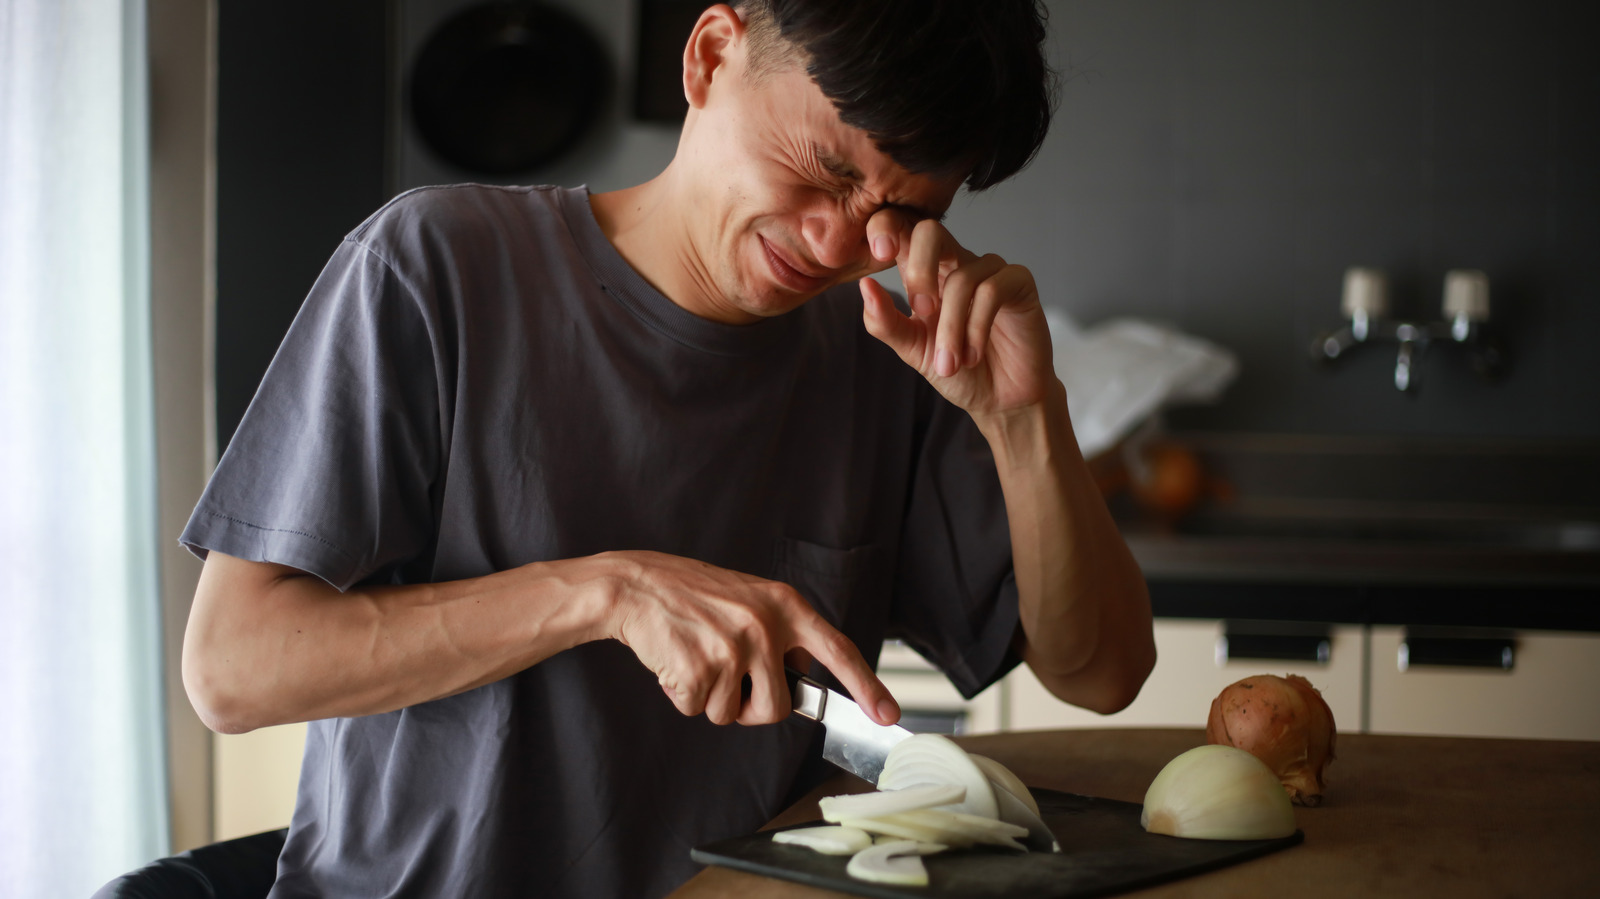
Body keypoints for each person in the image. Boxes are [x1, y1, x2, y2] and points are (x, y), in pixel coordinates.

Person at [179, 1, 1155, 896]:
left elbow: (1100, 671)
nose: (834, 240)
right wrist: (606, 592)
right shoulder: (436, 266)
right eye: (827, 169)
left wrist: (1024, 414)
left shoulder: (884, 361)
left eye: (897, 216)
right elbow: (234, 666)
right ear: (711, 55)